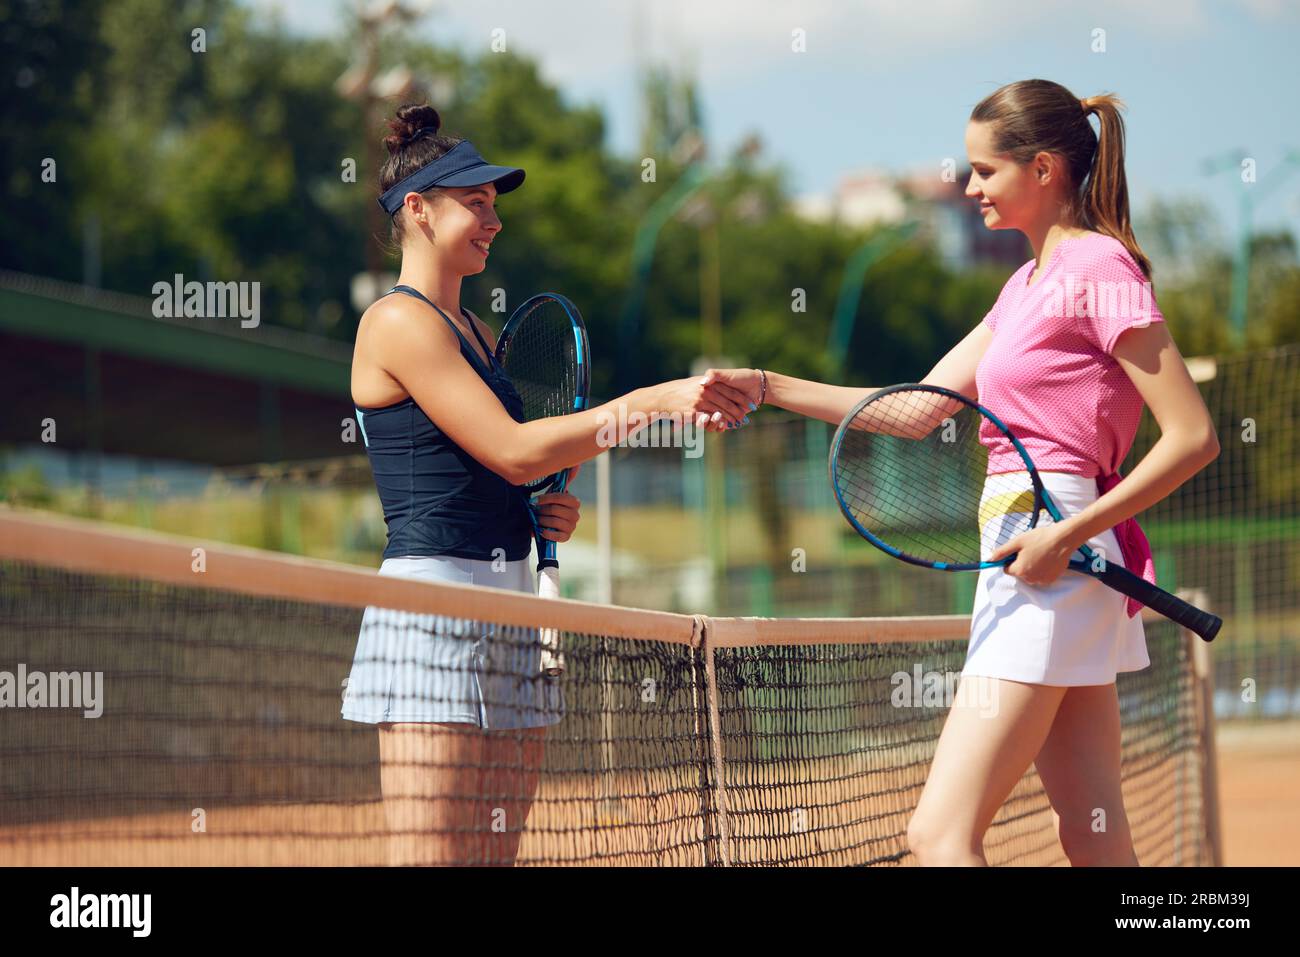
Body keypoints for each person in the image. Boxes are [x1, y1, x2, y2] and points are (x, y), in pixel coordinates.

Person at [703, 79, 1220, 866]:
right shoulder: (1022, 287)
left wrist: (1066, 535)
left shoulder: (1100, 268)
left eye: (984, 170)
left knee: (939, 833)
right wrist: (768, 385)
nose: (969, 186)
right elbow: (916, 409)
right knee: (1090, 823)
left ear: (1043, 169)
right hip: (1041, 550)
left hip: (1056, 550)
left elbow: (1192, 435)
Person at [342, 103, 753, 865]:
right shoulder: (396, 324)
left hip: (513, 600)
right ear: (418, 210)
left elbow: (505, 467)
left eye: (495, 203)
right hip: (432, 608)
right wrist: (646, 403)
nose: (494, 219)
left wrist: (534, 510)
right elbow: (514, 448)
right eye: (476, 202)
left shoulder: (480, 335)